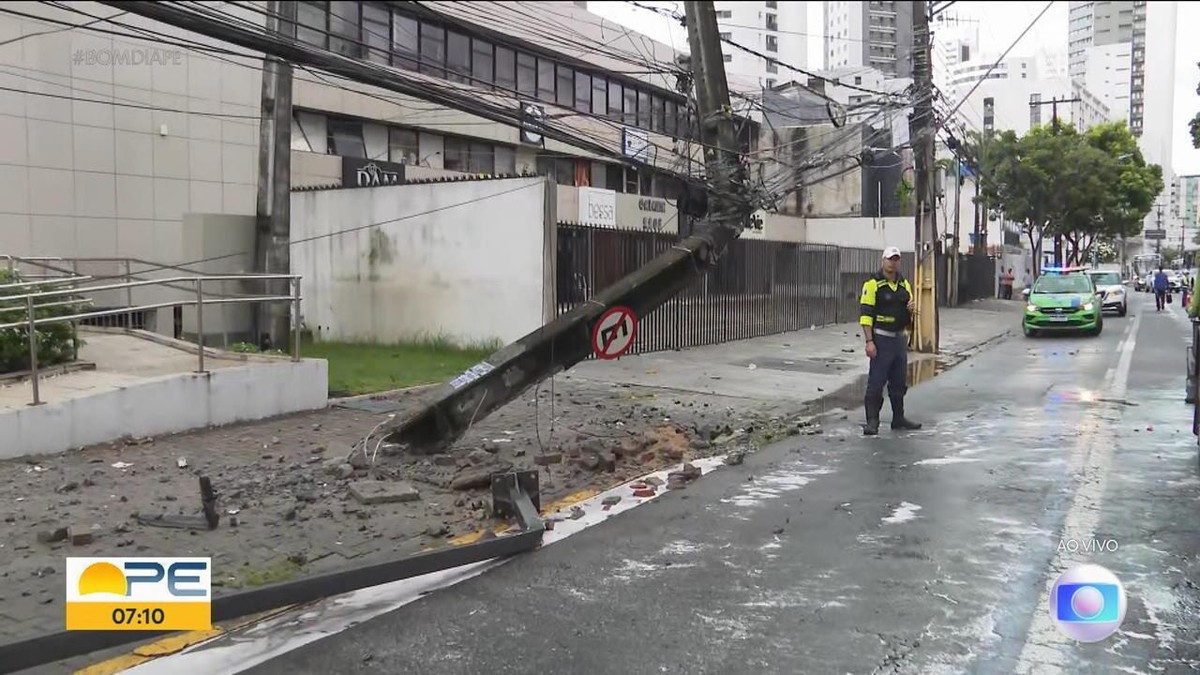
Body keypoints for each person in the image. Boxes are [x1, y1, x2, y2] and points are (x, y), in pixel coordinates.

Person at [859, 247, 923, 436]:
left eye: (896, 259)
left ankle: (898, 418)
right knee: (876, 383)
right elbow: (866, 314)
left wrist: (910, 311)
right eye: (890, 259)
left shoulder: (904, 284)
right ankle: (872, 422)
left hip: (899, 340)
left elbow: (910, 312)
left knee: (898, 383)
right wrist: (869, 341)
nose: (892, 263)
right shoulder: (873, 284)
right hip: (881, 339)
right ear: (883, 261)